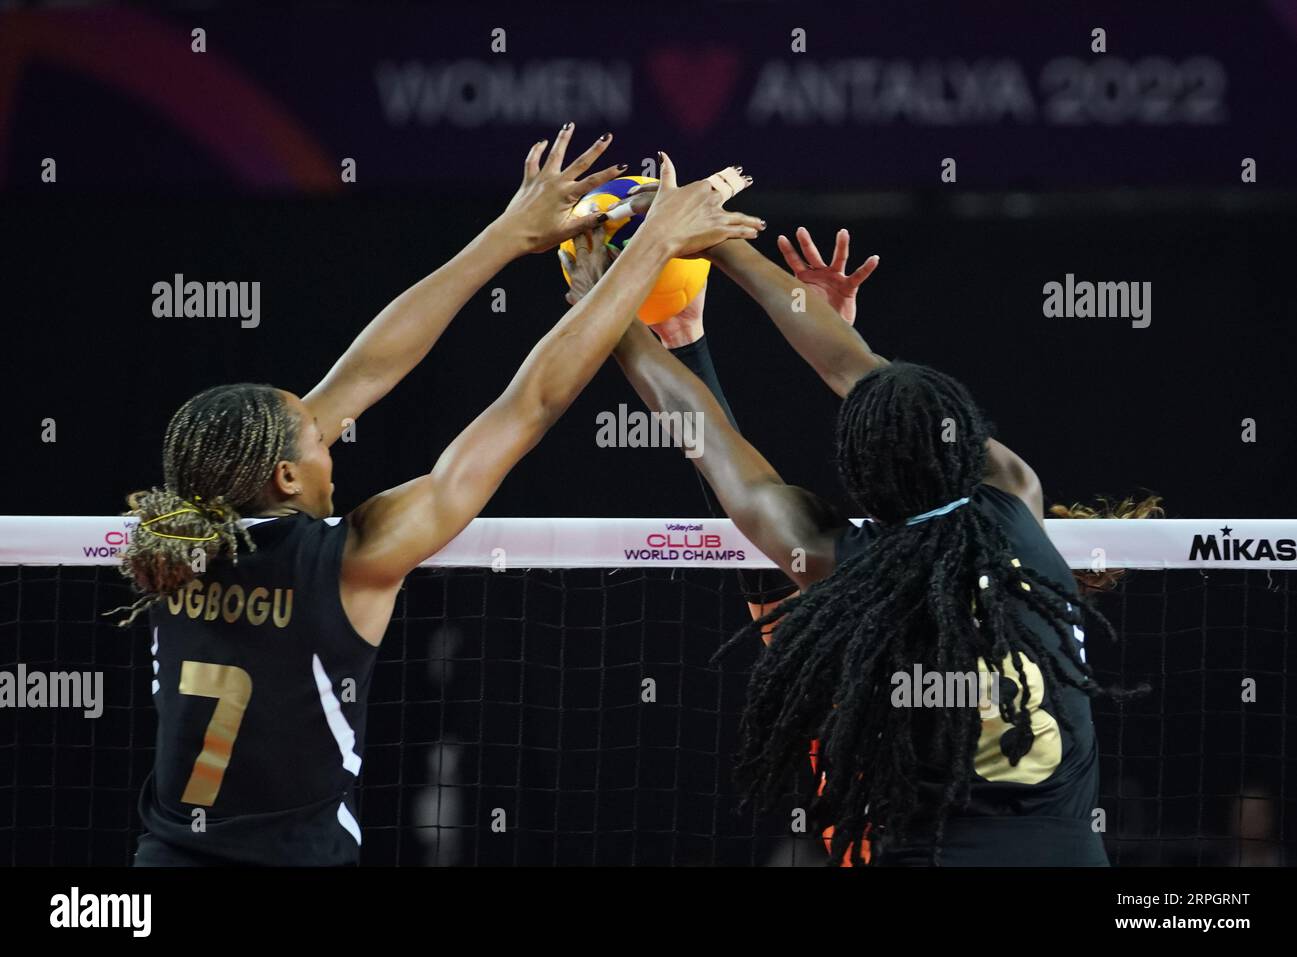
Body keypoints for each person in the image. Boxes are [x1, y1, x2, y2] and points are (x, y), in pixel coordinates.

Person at [113, 130, 762, 865]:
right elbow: (532, 403)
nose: (334, 435)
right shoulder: (354, 557)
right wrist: (651, 247)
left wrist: (508, 234)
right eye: (319, 437)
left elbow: (363, 374)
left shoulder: (173, 544)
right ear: (285, 478)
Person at [566, 226, 1141, 866]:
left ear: (858, 472)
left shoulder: (837, 562)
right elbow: (856, 369)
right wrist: (728, 248)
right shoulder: (1016, 501)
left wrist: (610, 310)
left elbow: (706, 435)